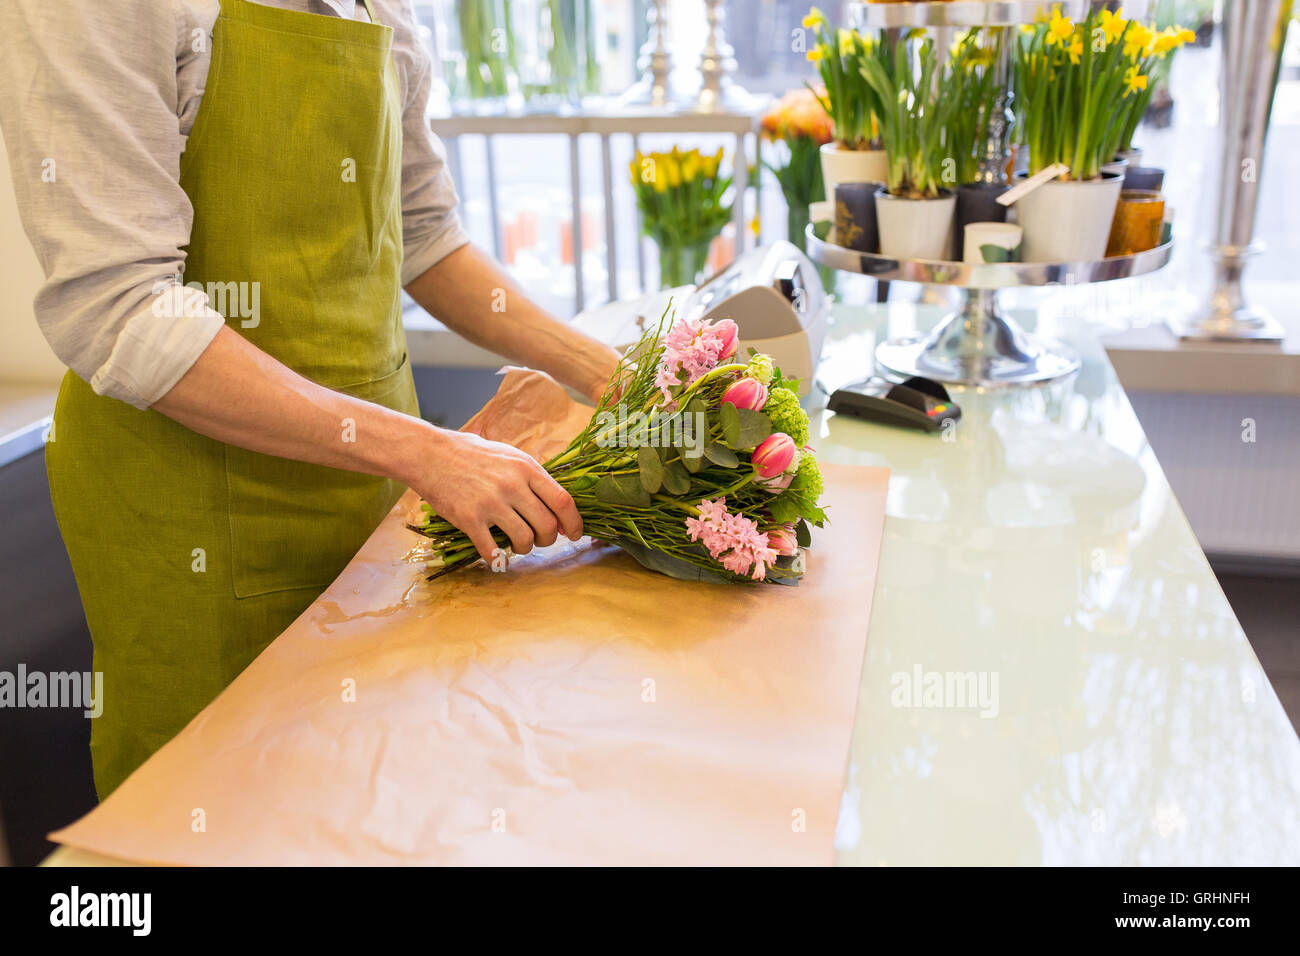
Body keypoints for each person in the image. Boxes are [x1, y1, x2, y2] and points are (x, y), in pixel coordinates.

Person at [0, 0, 622, 797]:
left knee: (376, 789)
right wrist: (427, 450)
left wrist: (606, 369)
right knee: (227, 804)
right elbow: (120, 307)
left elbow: (424, 230)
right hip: (199, 507)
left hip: (378, 486)